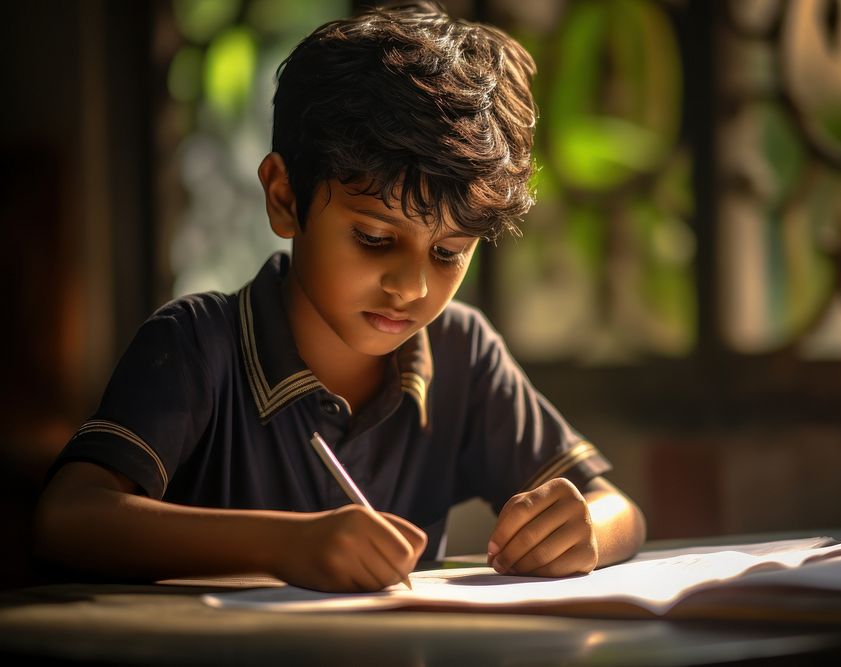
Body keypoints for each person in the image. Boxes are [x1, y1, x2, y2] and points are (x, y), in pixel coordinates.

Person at [33, 1, 646, 593]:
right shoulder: (198, 344)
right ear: (284, 197)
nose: (411, 287)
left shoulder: (461, 353)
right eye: (375, 239)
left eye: (448, 252)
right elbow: (68, 518)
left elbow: (618, 509)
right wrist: (284, 545)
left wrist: (585, 528)